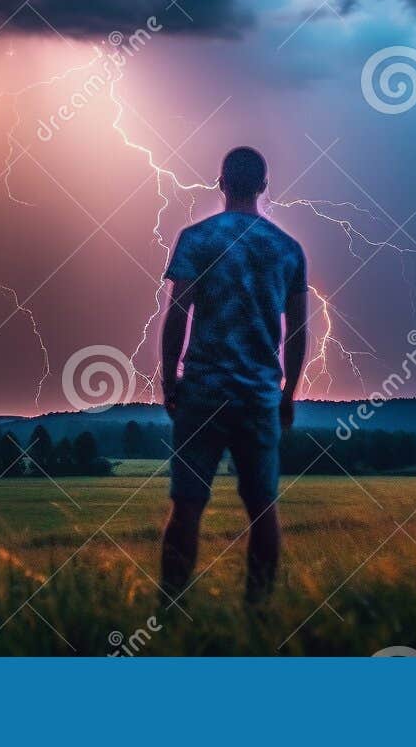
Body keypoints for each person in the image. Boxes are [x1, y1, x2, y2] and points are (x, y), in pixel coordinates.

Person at [159, 146, 308, 606]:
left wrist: (171, 383)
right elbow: (298, 330)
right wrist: (287, 395)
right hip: (259, 396)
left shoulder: (196, 238)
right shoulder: (287, 249)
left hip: (203, 391)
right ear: (264, 186)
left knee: (186, 506)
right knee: (262, 507)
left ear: (220, 182)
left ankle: (169, 614)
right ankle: (257, 620)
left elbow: (178, 313)